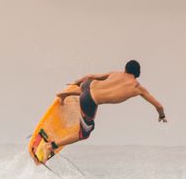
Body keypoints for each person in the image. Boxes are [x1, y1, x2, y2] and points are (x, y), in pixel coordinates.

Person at [38, 60, 166, 160]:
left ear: (125, 69)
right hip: (89, 101)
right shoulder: (138, 88)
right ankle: (51, 145)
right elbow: (159, 106)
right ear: (138, 73)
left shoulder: (115, 73)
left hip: (88, 85)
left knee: (90, 88)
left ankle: (65, 94)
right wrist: (161, 116)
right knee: (84, 134)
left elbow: (90, 76)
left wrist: (76, 82)